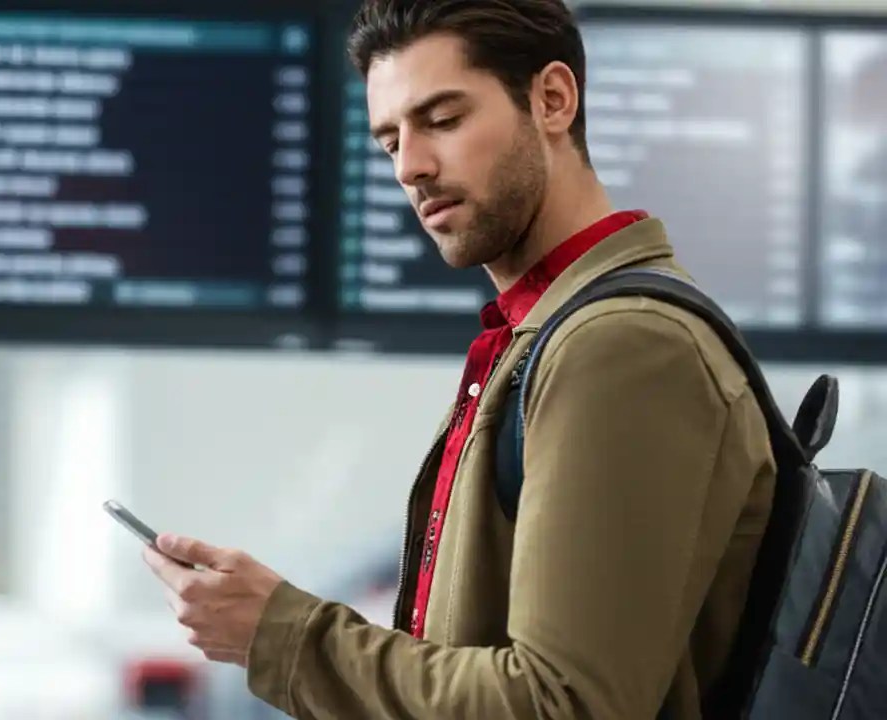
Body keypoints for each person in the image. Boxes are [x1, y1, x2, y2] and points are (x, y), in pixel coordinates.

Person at [142, 0, 777, 717]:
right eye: (390, 143)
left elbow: (559, 705)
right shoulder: (542, 337)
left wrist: (282, 635)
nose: (411, 167)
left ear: (553, 100)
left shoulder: (623, 347)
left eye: (443, 120)